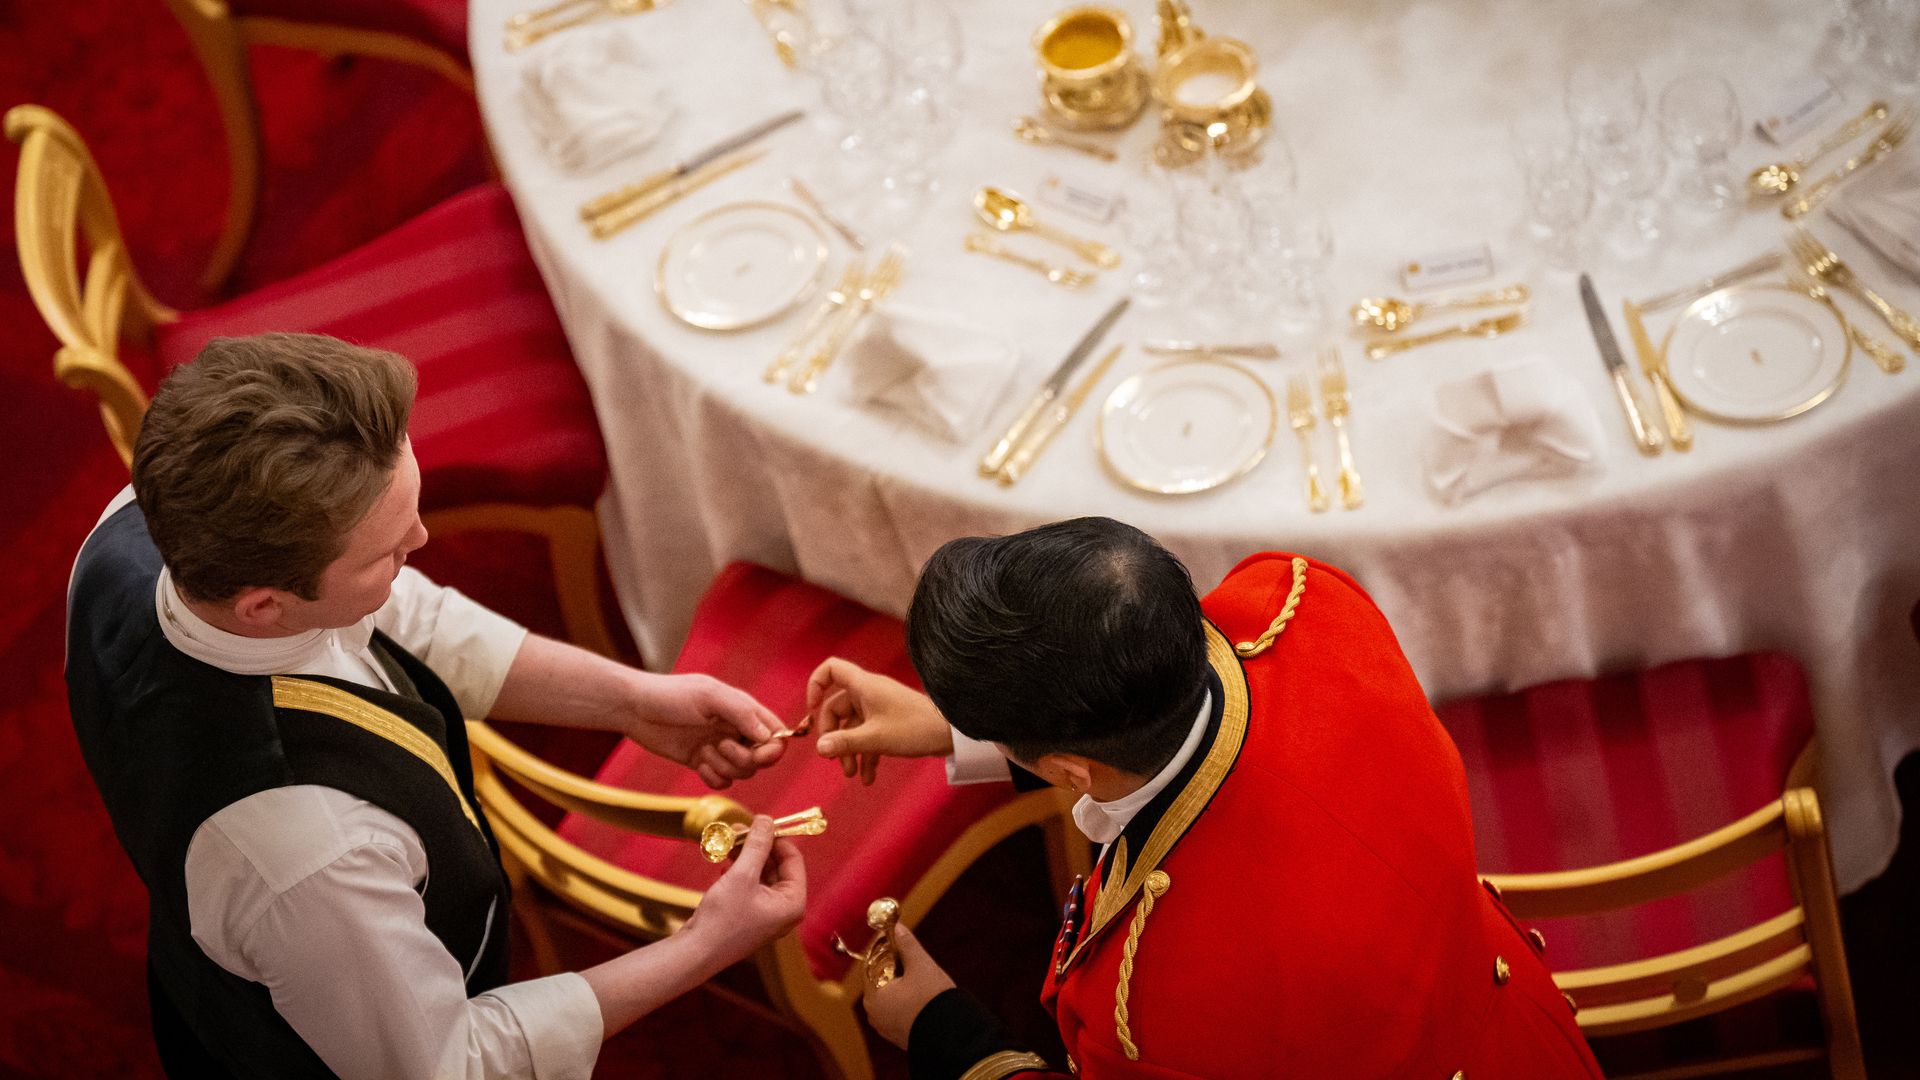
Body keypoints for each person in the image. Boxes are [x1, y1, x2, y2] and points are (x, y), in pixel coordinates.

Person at [65, 333, 806, 1079]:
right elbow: (452, 1065)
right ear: (265, 607)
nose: (421, 540)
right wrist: (703, 944)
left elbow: (409, 621)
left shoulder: (143, 523)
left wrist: (635, 702)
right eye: (387, 552)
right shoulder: (315, 857)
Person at [805, 518, 1603, 1079]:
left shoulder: (1154, 1001)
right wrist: (959, 731)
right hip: (1515, 1027)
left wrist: (943, 1031)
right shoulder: (1306, 605)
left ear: (1071, 768)